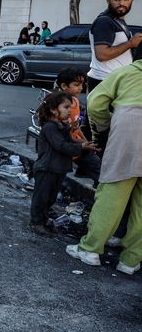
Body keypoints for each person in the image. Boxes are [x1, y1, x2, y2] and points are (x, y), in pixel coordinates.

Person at [66, 60, 142, 274]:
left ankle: (90, 249)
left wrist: (104, 126)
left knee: (111, 194)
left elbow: (95, 100)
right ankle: (130, 260)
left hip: (129, 130)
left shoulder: (126, 72)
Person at [87, 0, 142, 152]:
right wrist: (130, 43)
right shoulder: (105, 22)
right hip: (105, 81)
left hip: (114, 82)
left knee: (102, 134)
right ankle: (101, 174)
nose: (122, 3)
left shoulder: (118, 21)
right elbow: (102, 54)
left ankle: (89, 168)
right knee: (107, 136)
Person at [29, 92, 95, 236]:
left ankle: (44, 219)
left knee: (51, 197)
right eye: (66, 107)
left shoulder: (61, 125)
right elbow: (61, 146)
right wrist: (81, 147)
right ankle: (36, 222)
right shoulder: (50, 127)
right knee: (42, 197)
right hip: (47, 168)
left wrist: (83, 143)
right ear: (53, 109)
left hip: (57, 169)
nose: (70, 111)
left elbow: (70, 141)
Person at [55, 68, 101, 185]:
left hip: (78, 146)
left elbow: (76, 127)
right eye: (76, 85)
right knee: (54, 180)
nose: (80, 88)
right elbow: (56, 133)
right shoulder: (56, 105)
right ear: (64, 86)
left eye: (82, 84)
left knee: (97, 166)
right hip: (63, 148)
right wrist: (82, 144)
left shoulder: (76, 101)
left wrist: (86, 142)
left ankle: (101, 191)